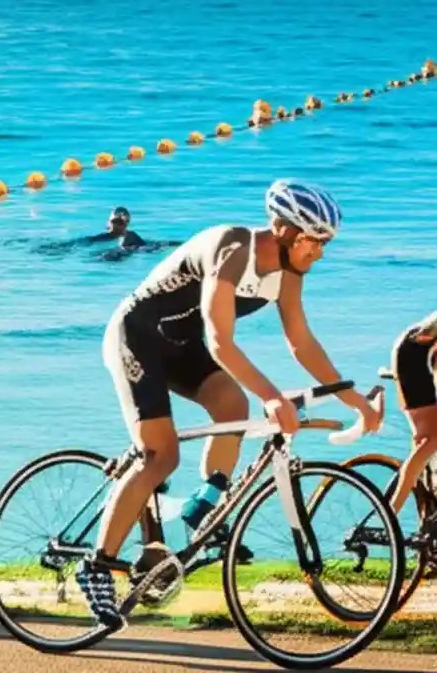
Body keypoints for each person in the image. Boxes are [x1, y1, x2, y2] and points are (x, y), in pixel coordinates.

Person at [78, 178, 381, 629]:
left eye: (324, 243)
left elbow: (301, 343)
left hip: (180, 347)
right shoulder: (233, 247)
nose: (319, 252)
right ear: (283, 230)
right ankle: (96, 566)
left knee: (232, 406)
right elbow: (220, 341)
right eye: (314, 242)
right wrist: (274, 397)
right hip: (135, 337)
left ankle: (204, 509)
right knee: (161, 455)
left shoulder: (289, 273)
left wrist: (357, 401)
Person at [386, 312, 437, 515]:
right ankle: (391, 510)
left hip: (418, 350)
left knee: (425, 440)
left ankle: (425, 503)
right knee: (431, 440)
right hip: (414, 356)